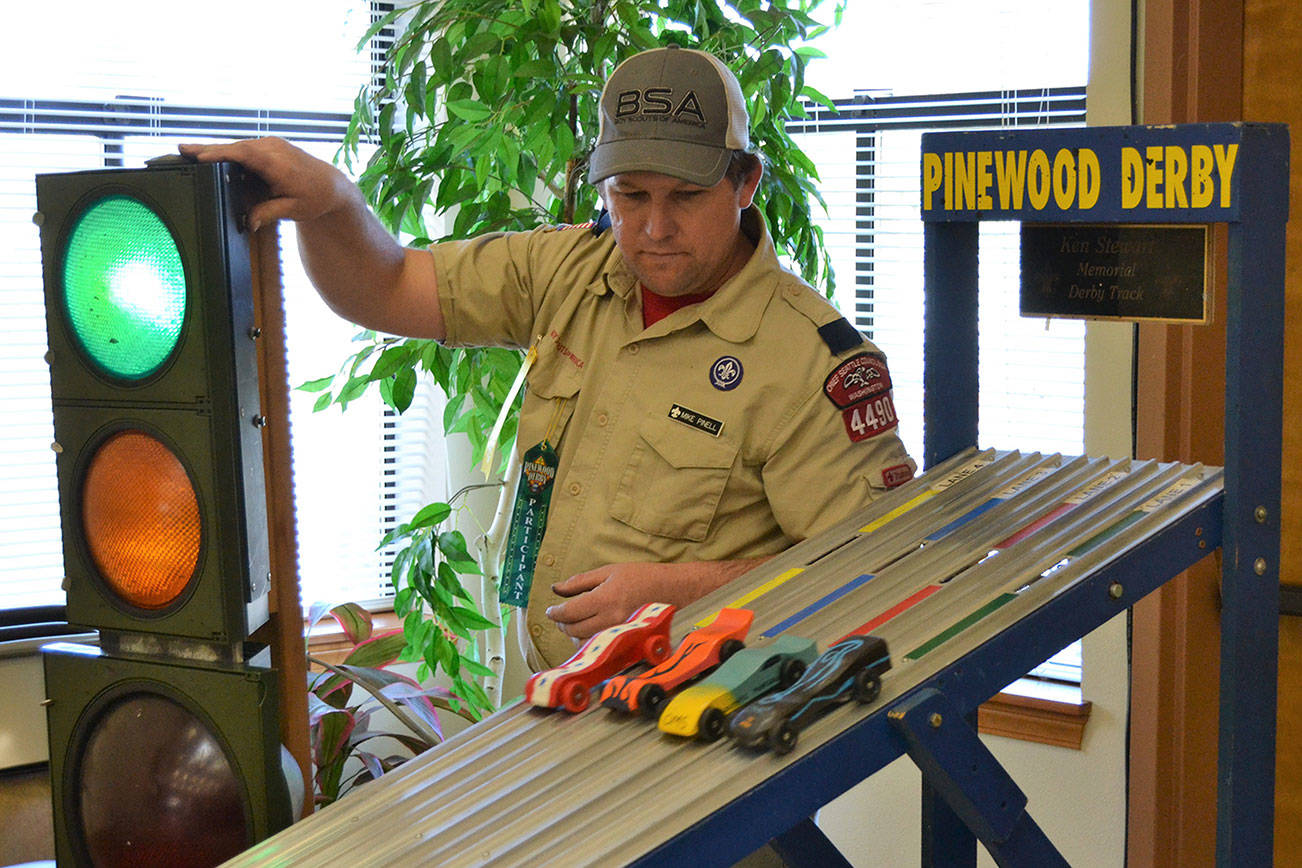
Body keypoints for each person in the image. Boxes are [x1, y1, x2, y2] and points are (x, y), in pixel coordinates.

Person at [181, 45, 916, 670]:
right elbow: (387, 286)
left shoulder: (807, 362)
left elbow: (871, 570)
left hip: (713, 738)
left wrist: (688, 590)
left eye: (685, 197)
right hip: (561, 710)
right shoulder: (570, 269)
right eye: (629, 195)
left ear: (745, 182)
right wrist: (334, 203)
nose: (653, 228)